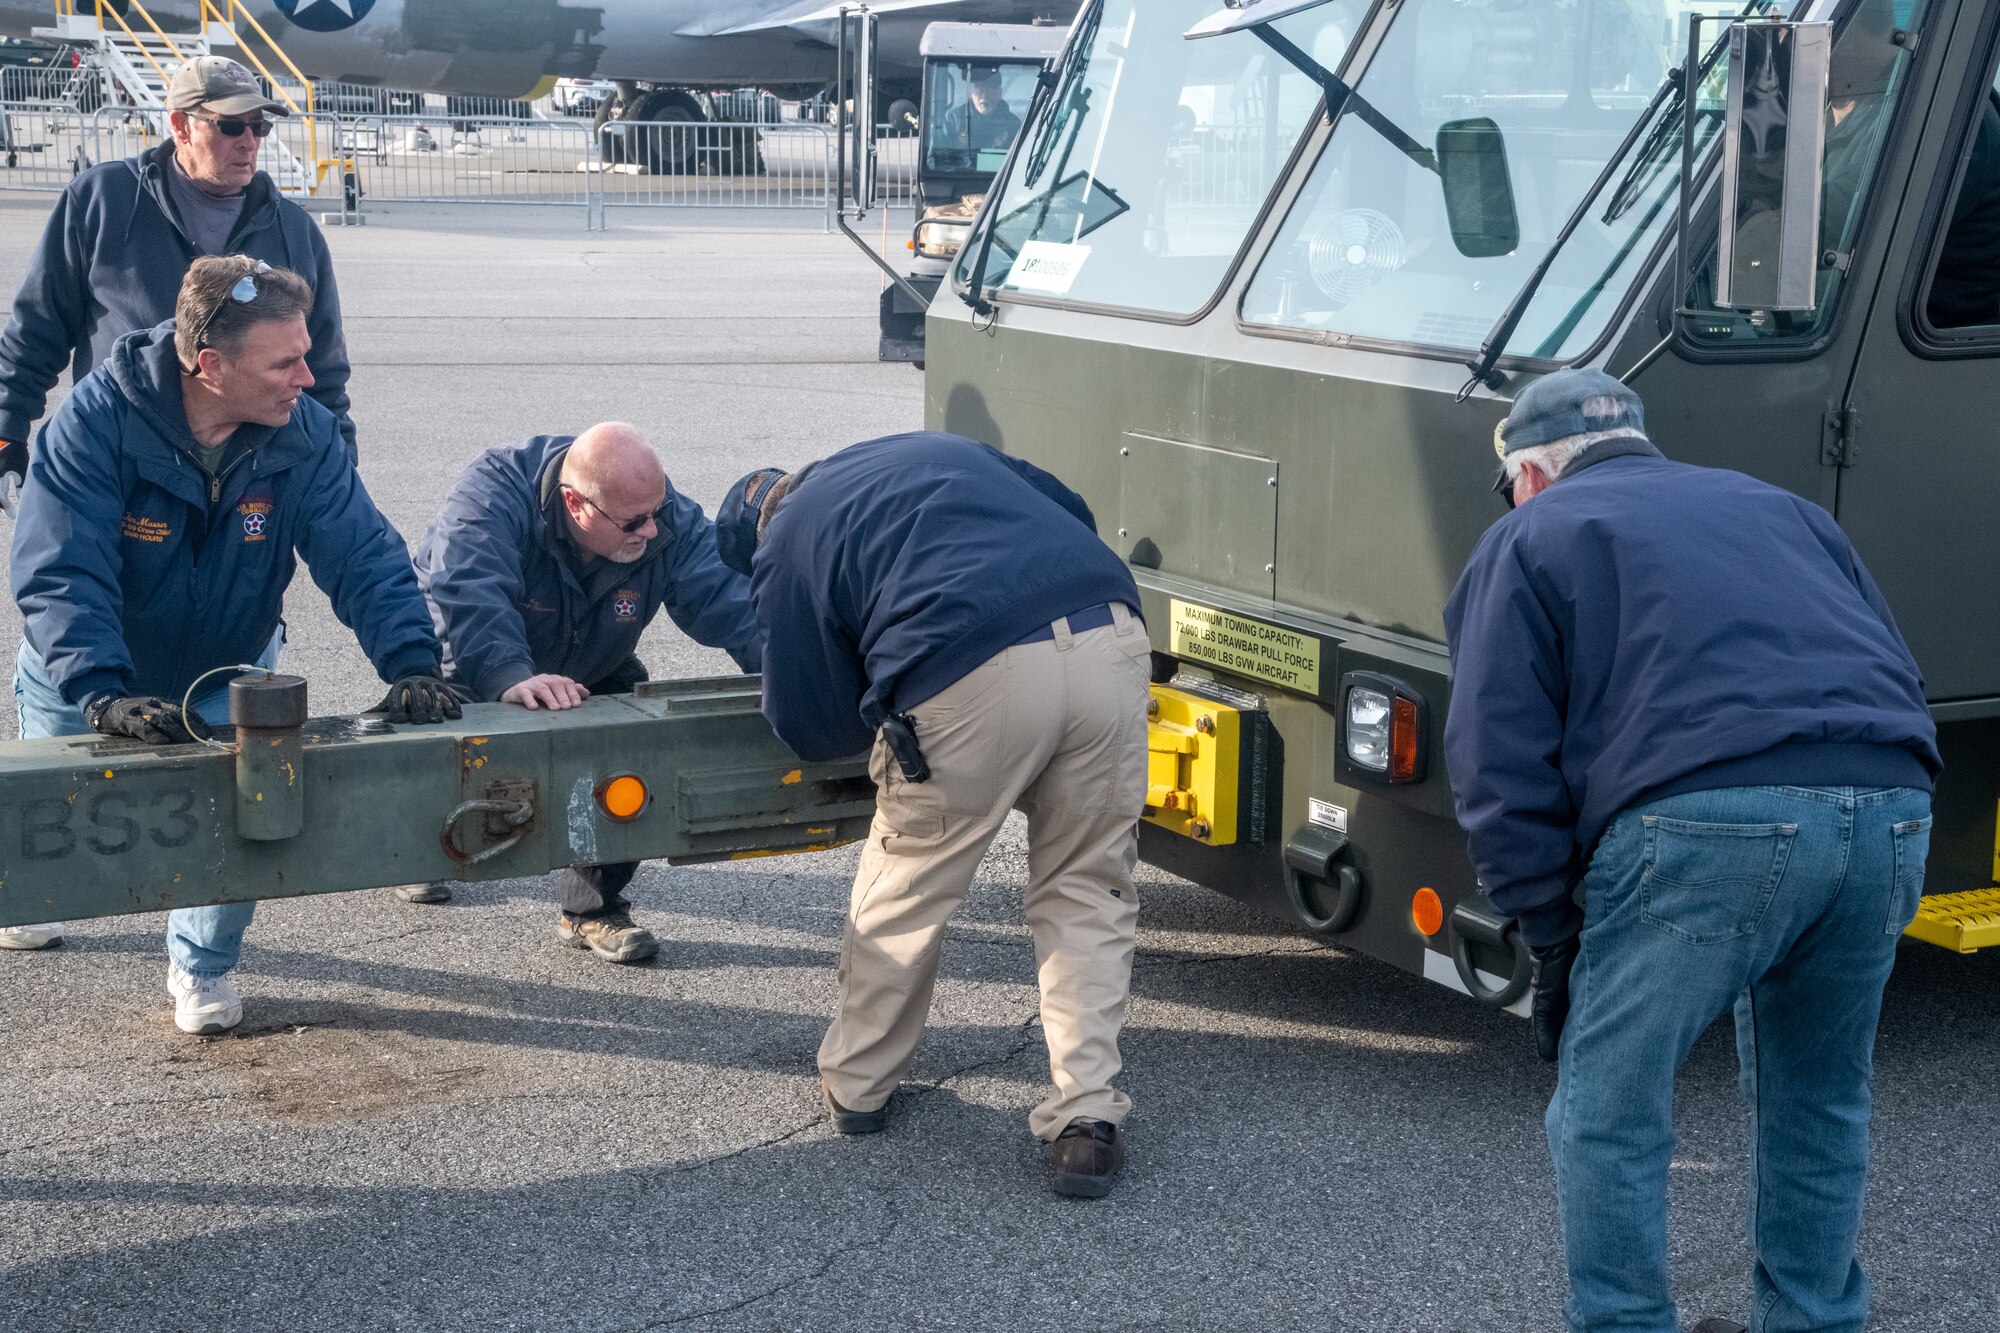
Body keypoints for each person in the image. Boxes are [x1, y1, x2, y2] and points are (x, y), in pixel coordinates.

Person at [1443, 368, 1940, 1333]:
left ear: (1530, 474)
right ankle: (1814, 1320)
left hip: (1708, 822)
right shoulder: (1787, 511)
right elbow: (1894, 667)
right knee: (1820, 1100)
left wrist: (1553, 933)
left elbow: (1496, 763)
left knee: (1609, 1110)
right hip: (1892, 803)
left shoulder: (1533, 535)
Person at [8, 256, 457, 1032]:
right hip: (89, 672)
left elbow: (362, 553)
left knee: (246, 809)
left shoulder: (302, 435)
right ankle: (29, 897)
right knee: (46, 835)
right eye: (285, 361)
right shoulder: (95, 423)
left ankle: (201, 965)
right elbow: (60, 568)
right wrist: (99, 687)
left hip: (226, 664)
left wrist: (413, 659)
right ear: (209, 366)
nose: (308, 378)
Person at [716, 432, 1150, 1199]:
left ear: (756, 534)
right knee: (1087, 885)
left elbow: (810, 722)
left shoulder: (783, 542)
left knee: (910, 884)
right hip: (1108, 633)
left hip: (969, 666)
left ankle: (859, 1085)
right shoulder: (921, 452)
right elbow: (1069, 507)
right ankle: (1087, 1118)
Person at [407, 424, 762, 961]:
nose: (650, 529)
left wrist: (794, 668)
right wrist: (507, 674)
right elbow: (469, 587)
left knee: (631, 746)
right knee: (450, 759)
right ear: (575, 504)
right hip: (473, 651)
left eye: (656, 512)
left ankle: (590, 909)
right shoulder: (491, 492)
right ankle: (414, 849)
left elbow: (730, 601)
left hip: (592, 659)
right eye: (633, 522)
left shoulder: (658, 516)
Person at [0, 55, 355, 494]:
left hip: (246, 479)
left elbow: (322, 368)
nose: (249, 141)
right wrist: (6, 427)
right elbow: (38, 327)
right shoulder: (102, 201)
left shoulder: (294, 232)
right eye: (230, 126)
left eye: (258, 126)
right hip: (121, 458)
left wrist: (339, 461)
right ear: (181, 126)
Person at [934, 65, 1022, 159]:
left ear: (999, 93)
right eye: (980, 90)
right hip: (960, 172)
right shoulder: (953, 118)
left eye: (990, 91)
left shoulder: (1013, 124)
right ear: (972, 92)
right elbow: (940, 157)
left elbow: (1020, 159)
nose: (984, 96)